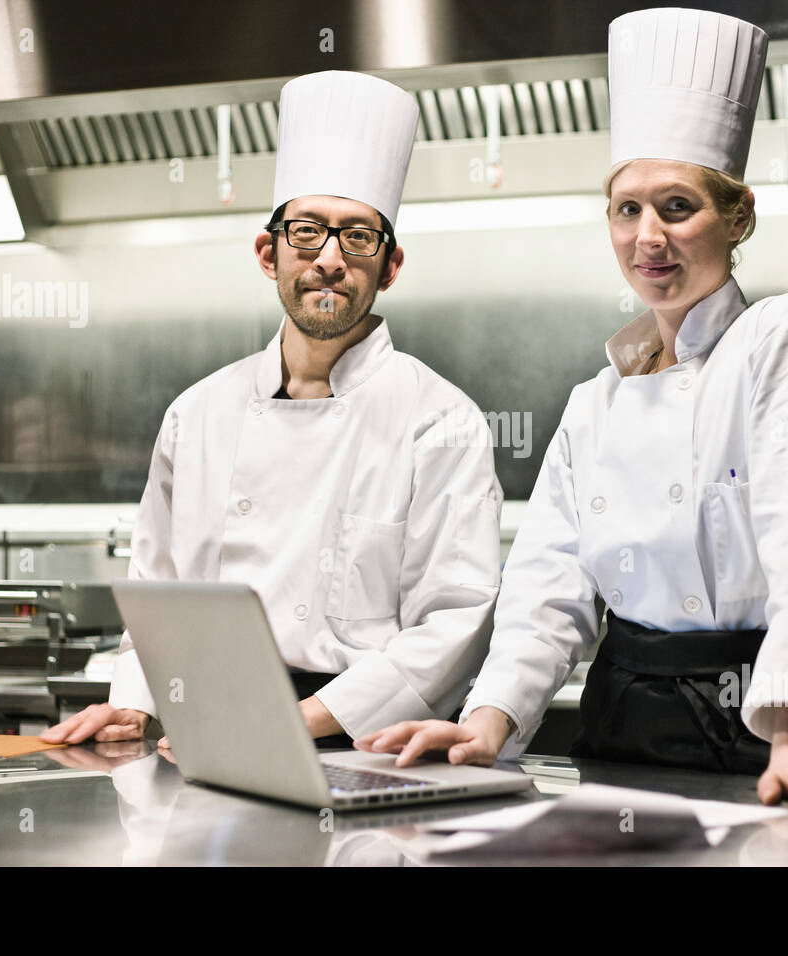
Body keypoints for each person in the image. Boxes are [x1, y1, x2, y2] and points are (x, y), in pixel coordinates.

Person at [356, 8, 788, 816]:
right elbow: (547, 584)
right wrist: (486, 721)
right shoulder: (597, 399)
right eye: (627, 209)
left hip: (754, 729)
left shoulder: (782, 336)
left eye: (677, 206)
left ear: (738, 216)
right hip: (620, 727)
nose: (648, 237)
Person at [44, 71, 502, 749]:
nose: (329, 259)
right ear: (269, 253)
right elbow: (157, 591)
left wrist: (295, 724)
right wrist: (136, 706)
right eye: (307, 232)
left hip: (363, 740)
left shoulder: (441, 421)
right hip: (209, 735)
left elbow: (456, 621)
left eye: (357, 238)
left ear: (391, 265)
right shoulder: (196, 415)